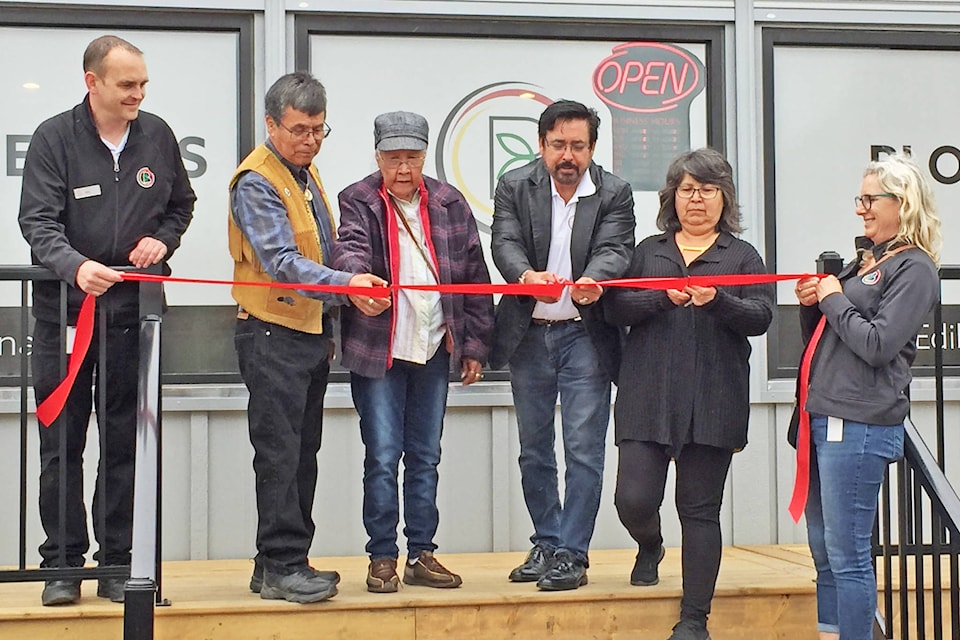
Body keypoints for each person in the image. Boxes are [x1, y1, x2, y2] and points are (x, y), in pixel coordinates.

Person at [17, 35, 195, 607]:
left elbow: (181, 206)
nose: (138, 95)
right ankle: (63, 565)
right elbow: (38, 224)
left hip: (134, 316)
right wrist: (77, 267)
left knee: (125, 440)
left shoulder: (159, 136)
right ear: (91, 82)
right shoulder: (54, 138)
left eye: (143, 84)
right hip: (66, 315)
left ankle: (118, 564)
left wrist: (161, 241)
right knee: (62, 441)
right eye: (127, 85)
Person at [604, 148, 774, 640]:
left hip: (713, 400)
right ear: (671, 197)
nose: (695, 199)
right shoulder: (648, 251)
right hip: (646, 395)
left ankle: (694, 618)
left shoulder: (742, 256)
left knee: (699, 511)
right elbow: (615, 308)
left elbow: (761, 318)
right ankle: (650, 544)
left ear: (724, 199)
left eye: (707, 190)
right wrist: (662, 296)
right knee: (633, 499)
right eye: (686, 189)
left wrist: (719, 301)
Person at [229, 72, 386, 604]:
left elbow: (327, 244)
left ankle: (278, 561)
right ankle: (282, 565)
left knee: (301, 453)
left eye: (320, 130)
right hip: (271, 333)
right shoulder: (256, 182)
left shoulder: (303, 171)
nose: (311, 140)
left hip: (307, 332)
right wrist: (348, 285)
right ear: (271, 124)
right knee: (280, 453)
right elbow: (282, 263)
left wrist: (351, 282)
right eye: (299, 129)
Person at [335, 111, 494, 594]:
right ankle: (382, 556)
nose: (403, 169)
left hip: (434, 345)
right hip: (379, 347)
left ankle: (422, 552)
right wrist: (358, 277)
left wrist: (475, 345)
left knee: (425, 456)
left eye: (412, 158)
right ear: (377, 156)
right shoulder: (358, 198)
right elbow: (348, 250)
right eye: (393, 158)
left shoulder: (449, 202)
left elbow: (473, 277)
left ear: (425, 156)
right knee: (383, 455)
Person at [793, 154, 941, 640]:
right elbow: (832, 339)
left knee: (849, 553)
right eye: (860, 199)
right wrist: (814, 304)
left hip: (858, 424)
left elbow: (877, 345)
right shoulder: (869, 261)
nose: (861, 209)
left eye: (870, 199)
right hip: (823, 417)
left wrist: (834, 297)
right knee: (824, 551)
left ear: (903, 204)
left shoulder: (915, 268)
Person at [490, 99, 635, 591]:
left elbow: (617, 248)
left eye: (577, 145)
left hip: (584, 335)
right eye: (558, 145)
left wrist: (596, 278)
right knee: (534, 449)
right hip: (528, 333)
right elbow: (504, 242)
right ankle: (547, 541)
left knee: (584, 450)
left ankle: (573, 552)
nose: (567, 156)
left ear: (592, 148)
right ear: (541, 146)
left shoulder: (614, 191)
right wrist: (525, 275)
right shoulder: (514, 185)